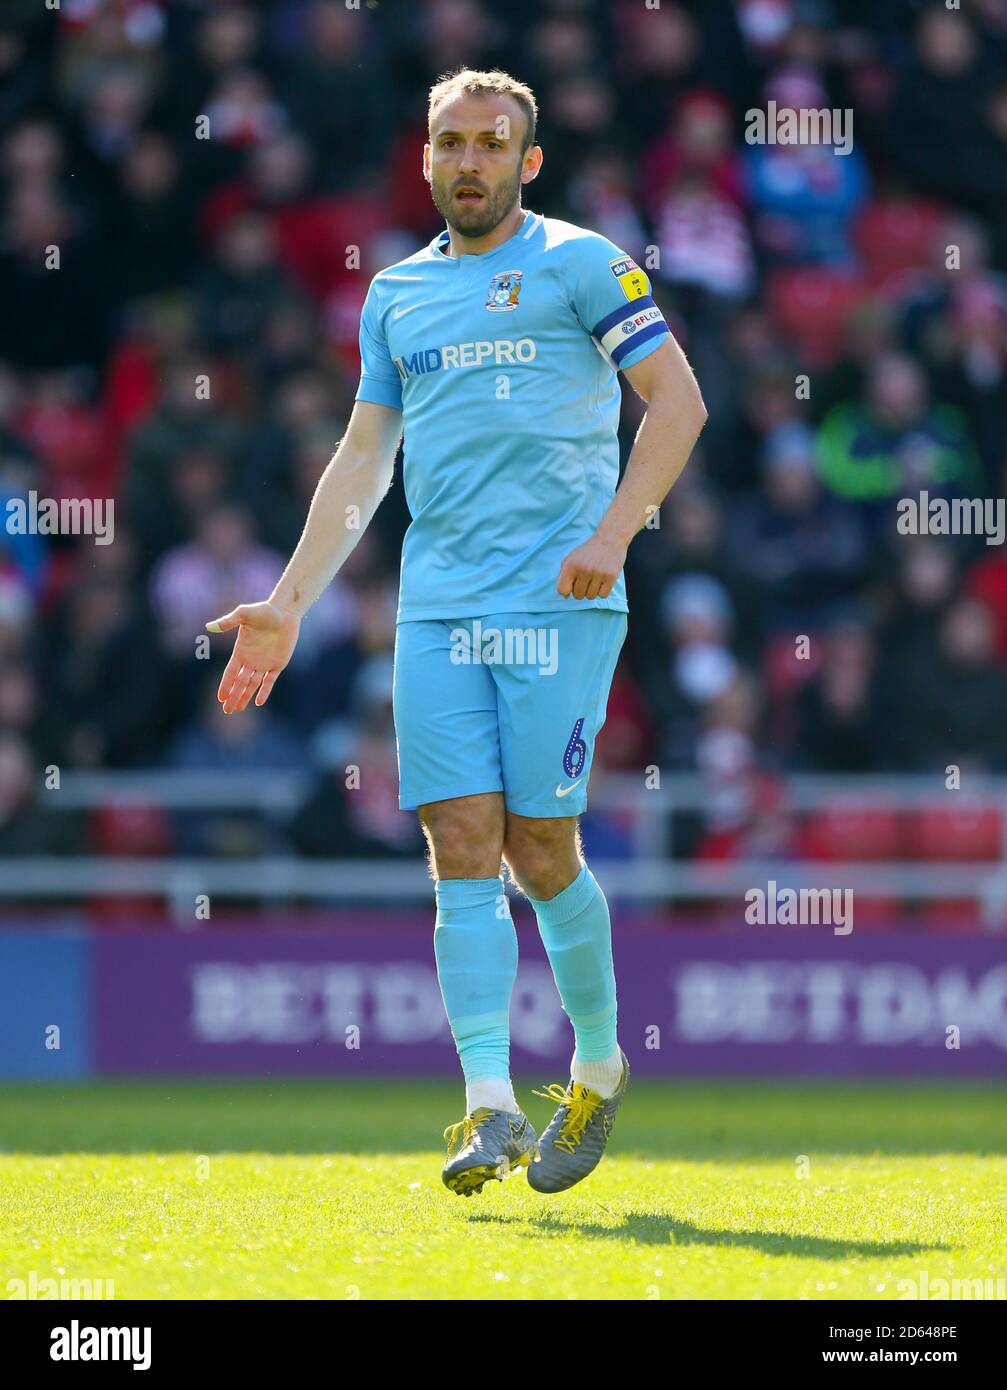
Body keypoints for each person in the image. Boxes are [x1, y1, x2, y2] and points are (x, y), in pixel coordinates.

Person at [207, 68, 706, 1197]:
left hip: (561, 600)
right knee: (459, 845)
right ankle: (486, 1102)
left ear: (528, 162)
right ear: (425, 157)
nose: (468, 161)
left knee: (542, 849)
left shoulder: (584, 263)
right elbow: (362, 458)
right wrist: (287, 601)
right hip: (437, 606)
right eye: (449, 143)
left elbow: (677, 402)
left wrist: (616, 533)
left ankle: (595, 1067)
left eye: (490, 144)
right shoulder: (394, 295)